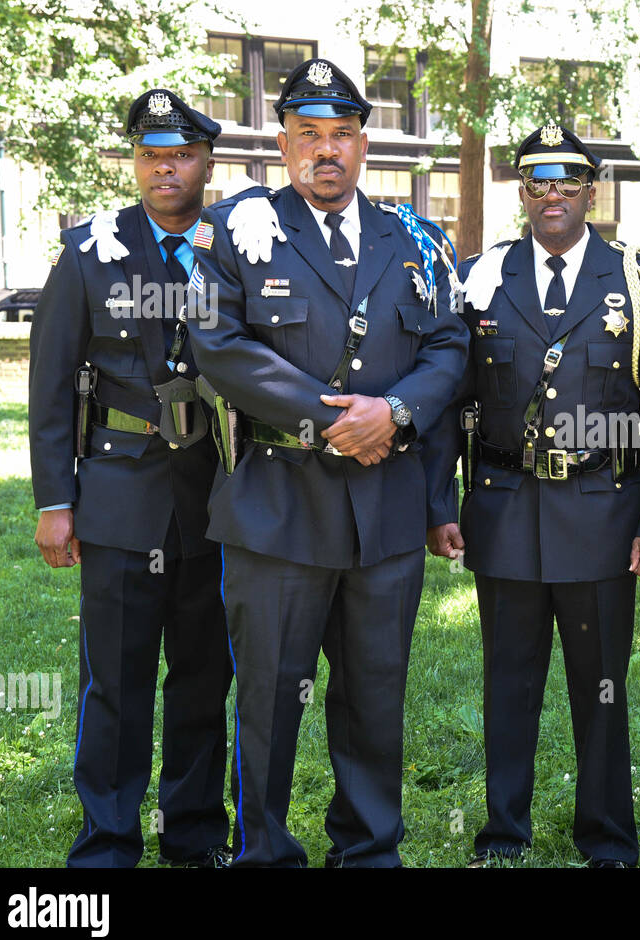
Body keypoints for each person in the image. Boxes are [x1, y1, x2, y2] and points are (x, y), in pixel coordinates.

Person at [186, 58, 468, 867]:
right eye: (308, 134)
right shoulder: (233, 230)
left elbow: (449, 344)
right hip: (276, 504)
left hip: (383, 509)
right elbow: (218, 346)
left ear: (363, 144)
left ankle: (370, 848)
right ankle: (265, 849)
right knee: (271, 697)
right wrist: (336, 421)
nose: (326, 150)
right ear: (283, 145)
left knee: (375, 693)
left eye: (341, 134)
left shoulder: (414, 238)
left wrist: (398, 412)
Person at [422, 123, 640, 867]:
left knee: (600, 689)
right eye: (538, 182)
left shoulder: (637, 281)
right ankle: (503, 833)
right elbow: (448, 398)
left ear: (591, 191)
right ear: (522, 191)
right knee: (507, 684)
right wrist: (439, 503)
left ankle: (606, 837)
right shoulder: (481, 278)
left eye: (567, 182)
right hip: (504, 509)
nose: (553, 196)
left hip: (604, 509)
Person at [29, 89, 234, 867]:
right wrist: (56, 501)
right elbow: (49, 385)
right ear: (135, 162)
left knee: (201, 677)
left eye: (181, 154)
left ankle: (193, 833)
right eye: (151, 155)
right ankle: (109, 840)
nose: (165, 168)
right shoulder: (90, 252)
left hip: (214, 498)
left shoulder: (233, 250)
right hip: (117, 496)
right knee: (114, 680)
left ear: (206, 160)